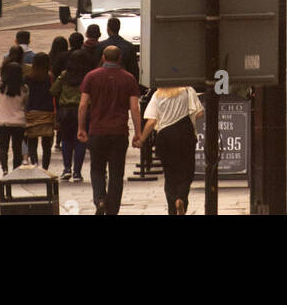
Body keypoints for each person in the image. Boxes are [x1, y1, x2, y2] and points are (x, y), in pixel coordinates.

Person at [78, 45, 142, 215]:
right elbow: (134, 107)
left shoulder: (91, 76)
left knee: (97, 169)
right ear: (119, 58)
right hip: (119, 132)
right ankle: (112, 209)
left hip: (97, 131)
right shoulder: (128, 78)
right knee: (116, 173)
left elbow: (83, 104)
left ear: (104, 58)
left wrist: (81, 127)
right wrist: (138, 132)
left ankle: (99, 199)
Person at [139, 85, 203, 216]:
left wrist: (141, 139)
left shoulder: (158, 94)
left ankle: (172, 208)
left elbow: (152, 121)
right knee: (187, 172)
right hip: (185, 133)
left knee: (170, 175)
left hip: (165, 137)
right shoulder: (188, 91)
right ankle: (181, 198)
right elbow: (200, 113)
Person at [51, 50, 87, 183]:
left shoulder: (64, 75)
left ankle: (67, 169)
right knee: (81, 139)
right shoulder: (86, 76)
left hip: (65, 111)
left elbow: (53, 90)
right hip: (81, 111)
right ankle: (77, 172)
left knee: (66, 140)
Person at [0, 60, 28, 174]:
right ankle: (15, 170)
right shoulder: (24, 88)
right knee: (17, 148)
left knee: (3, 148)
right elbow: (25, 102)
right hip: (19, 122)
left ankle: (4, 169)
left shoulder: (0, 86)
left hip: (2, 121)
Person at [25, 53, 56, 170]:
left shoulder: (28, 78)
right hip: (46, 112)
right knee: (46, 143)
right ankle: (45, 168)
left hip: (31, 111)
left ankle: (34, 164)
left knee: (32, 141)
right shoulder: (49, 77)